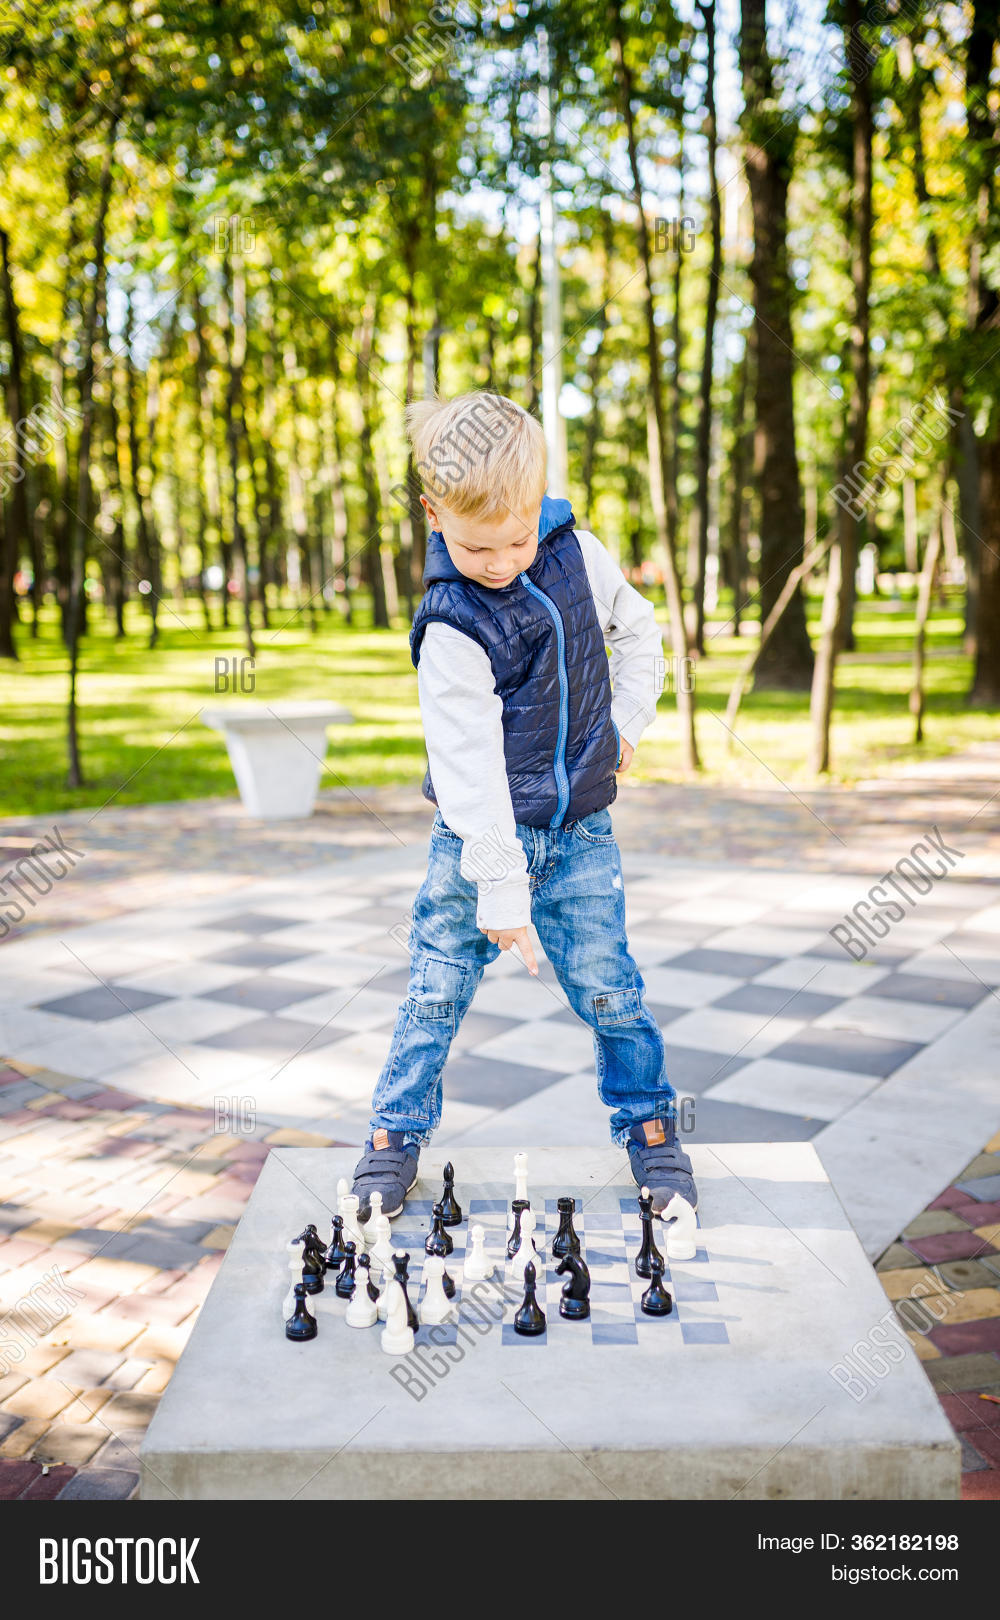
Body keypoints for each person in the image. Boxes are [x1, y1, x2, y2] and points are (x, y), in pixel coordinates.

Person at [351, 391, 695, 1222]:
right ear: (434, 514)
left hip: (581, 835)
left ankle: (650, 1126)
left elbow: (638, 631)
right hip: (476, 841)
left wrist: (624, 727)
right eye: (477, 545)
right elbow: (469, 773)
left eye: (517, 537)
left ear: (540, 501)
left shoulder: (575, 550)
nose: (503, 560)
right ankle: (394, 1134)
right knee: (435, 989)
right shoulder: (451, 626)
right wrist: (502, 890)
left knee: (612, 989)